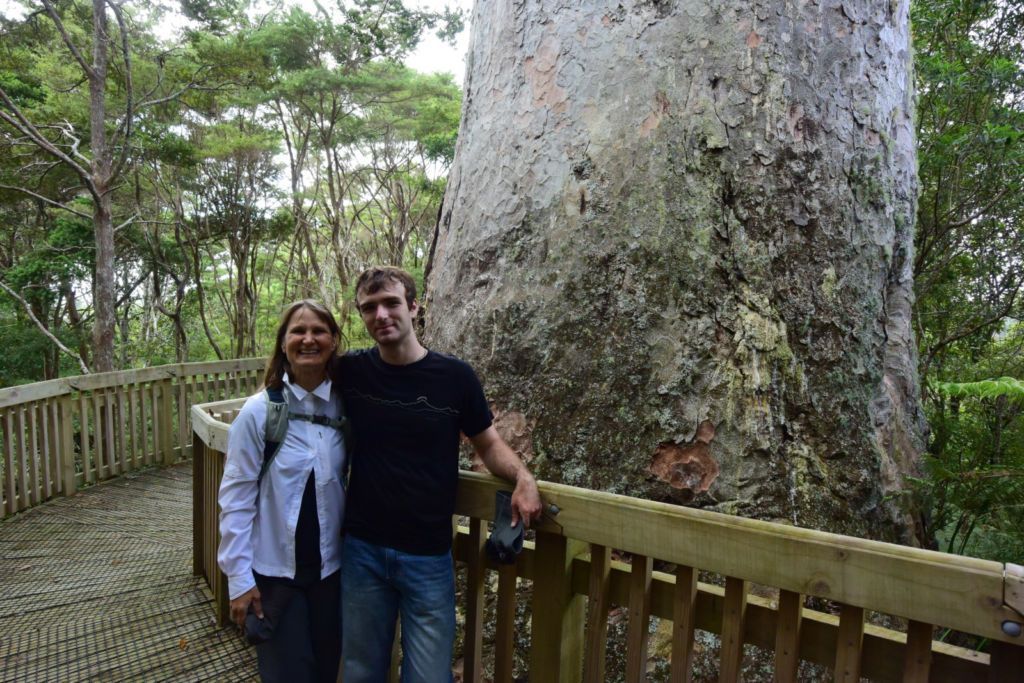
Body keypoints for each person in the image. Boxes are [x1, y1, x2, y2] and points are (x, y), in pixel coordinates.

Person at [338, 266, 544, 683]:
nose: (381, 314)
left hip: (427, 555)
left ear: (414, 307)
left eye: (392, 303)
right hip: (362, 549)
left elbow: (486, 443)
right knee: (361, 671)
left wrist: (524, 477)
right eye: (369, 308)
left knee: (429, 676)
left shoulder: (454, 377)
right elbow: (296, 376)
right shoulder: (351, 372)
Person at [217, 300, 347, 683]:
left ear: (334, 340)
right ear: (283, 343)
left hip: (330, 572)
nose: (309, 339)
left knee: (326, 671)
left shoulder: (346, 405)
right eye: (298, 331)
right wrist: (239, 580)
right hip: (274, 576)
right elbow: (236, 500)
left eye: (319, 331)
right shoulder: (259, 412)